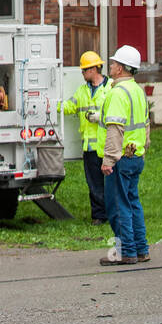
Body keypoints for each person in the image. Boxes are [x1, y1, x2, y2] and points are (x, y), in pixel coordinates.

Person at [97, 45, 150, 266]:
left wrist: (108, 160)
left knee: (118, 206)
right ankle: (141, 249)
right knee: (133, 203)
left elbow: (115, 129)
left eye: (113, 63)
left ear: (120, 68)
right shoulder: (137, 90)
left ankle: (126, 251)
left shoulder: (118, 93)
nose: (110, 66)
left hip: (120, 159)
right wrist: (143, 149)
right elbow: (145, 125)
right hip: (135, 156)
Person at [62, 51, 109, 224]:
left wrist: (101, 117)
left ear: (95, 69)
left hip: (108, 146)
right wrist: (52, 106)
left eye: (84, 70)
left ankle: (113, 214)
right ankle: (99, 216)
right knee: (94, 184)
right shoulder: (82, 91)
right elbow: (69, 107)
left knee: (111, 184)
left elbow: (118, 114)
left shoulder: (110, 88)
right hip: (89, 147)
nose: (82, 73)